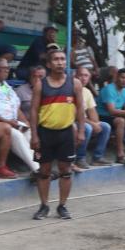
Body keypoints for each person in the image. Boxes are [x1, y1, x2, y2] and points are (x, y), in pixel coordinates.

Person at [29, 48, 85, 219]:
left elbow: (80, 109)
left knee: (65, 170)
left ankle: (62, 206)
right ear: (48, 64)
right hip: (45, 133)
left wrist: (81, 131)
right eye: (56, 59)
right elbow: (33, 111)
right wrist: (34, 135)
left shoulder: (74, 83)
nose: (60, 62)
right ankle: (44, 206)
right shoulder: (40, 85)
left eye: (62, 59)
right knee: (44, 171)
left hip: (66, 133)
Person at [0, 57, 38, 174]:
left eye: (8, 68)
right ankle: (37, 169)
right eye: (4, 68)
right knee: (16, 135)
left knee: (30, 132)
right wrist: (8, 122)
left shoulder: (4, 85)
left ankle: (41, 165)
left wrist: (25, 122)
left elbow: (14, 105)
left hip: (13, 122)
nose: (7, 70)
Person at [74, 65, 111, 168]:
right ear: (75, 76)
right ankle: (80, 158)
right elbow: (76, 115)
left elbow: (92, 111)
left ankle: (97, 157)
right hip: (73, 121)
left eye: (86, 76)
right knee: (87, 128)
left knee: (105, 126)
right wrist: (92, 124)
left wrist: (96, 123)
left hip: (84, 120)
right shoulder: (71, 90)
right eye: (81, 75)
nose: (83, 78)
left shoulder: (87, 91)